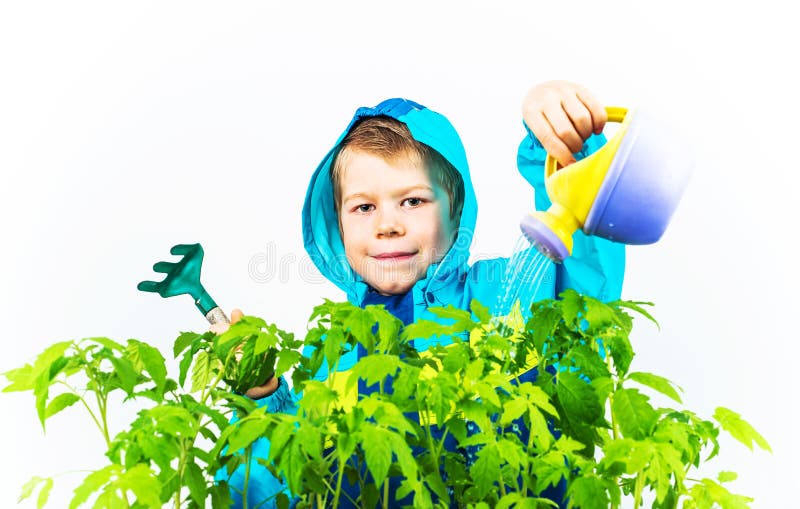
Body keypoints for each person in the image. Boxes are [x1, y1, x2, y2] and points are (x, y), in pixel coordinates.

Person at [213, 80, 626, 508]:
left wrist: (564, 147)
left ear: (455, 212)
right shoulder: (331, 354)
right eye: (364, 207)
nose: (387, 224)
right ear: (337, 225)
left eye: (412, 201)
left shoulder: (505, 298)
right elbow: (269, 493)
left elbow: (583, 287)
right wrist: (260, 401)